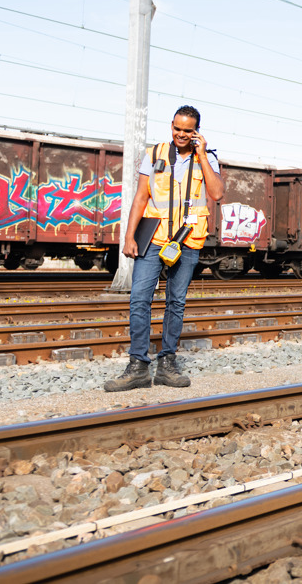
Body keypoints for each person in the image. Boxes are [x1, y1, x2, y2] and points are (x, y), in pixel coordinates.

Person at [105, 105, 224, 392]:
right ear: (171, 125)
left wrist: (202, 155)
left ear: (196, 131)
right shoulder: (154, 154)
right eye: (177, 128)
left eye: (187, 130)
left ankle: (167, 364)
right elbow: (140, 197)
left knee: (176, 303)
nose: (181, 134)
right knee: (139, 299)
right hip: (155, 238)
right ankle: (137, 366)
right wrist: (129, 236)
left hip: (188, 240)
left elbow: (217, 193)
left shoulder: (208, 158)